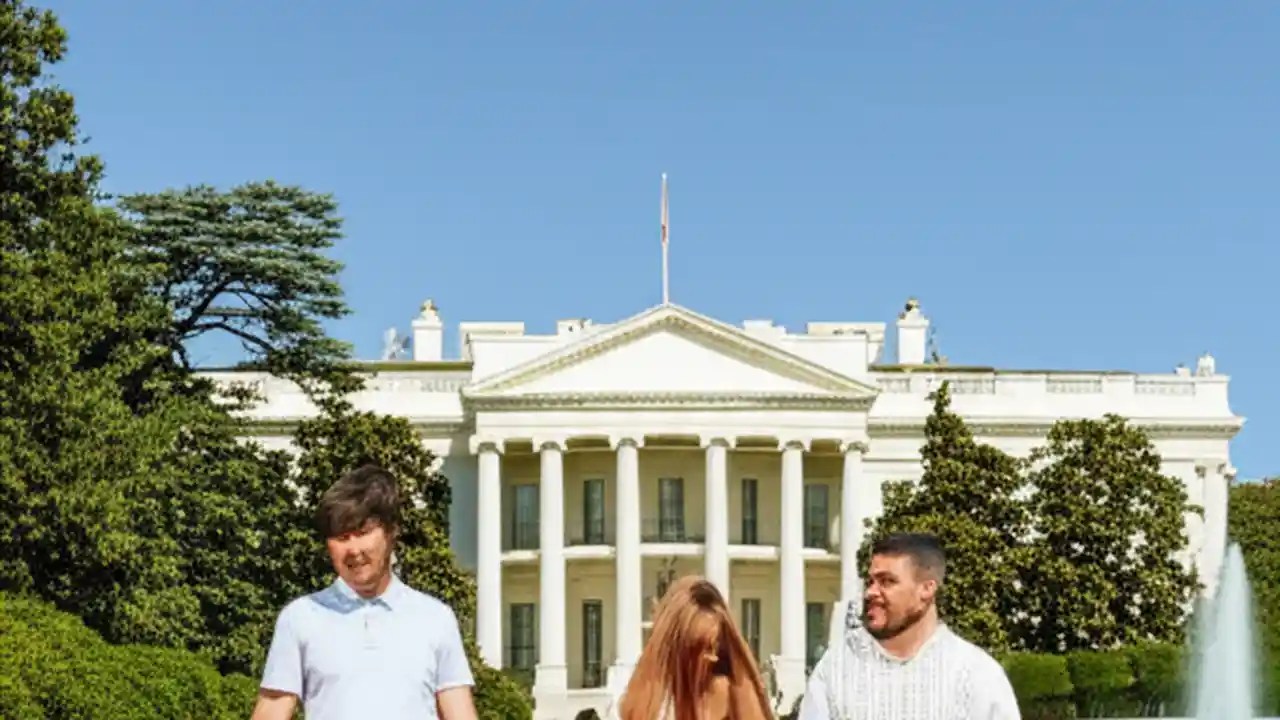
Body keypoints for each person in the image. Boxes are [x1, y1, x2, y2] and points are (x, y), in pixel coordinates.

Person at [250, 464, 478, 720]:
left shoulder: (435, 618)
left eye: (362, 533)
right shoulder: (300, 618)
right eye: (341, 537)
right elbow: (272, 710)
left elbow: (459, 711)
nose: (353, 549)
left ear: (391, 533)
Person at [797, 533, 1020, 720]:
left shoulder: (975, 675)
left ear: (927, 589)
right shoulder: (837, 667)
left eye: (887, 582)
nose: (871, 592)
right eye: (870, 581)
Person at [614, 575, 773, 720]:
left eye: (717, 645)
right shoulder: (647, 705)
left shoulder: (733, 690)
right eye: (703, 648)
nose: (714, 657)